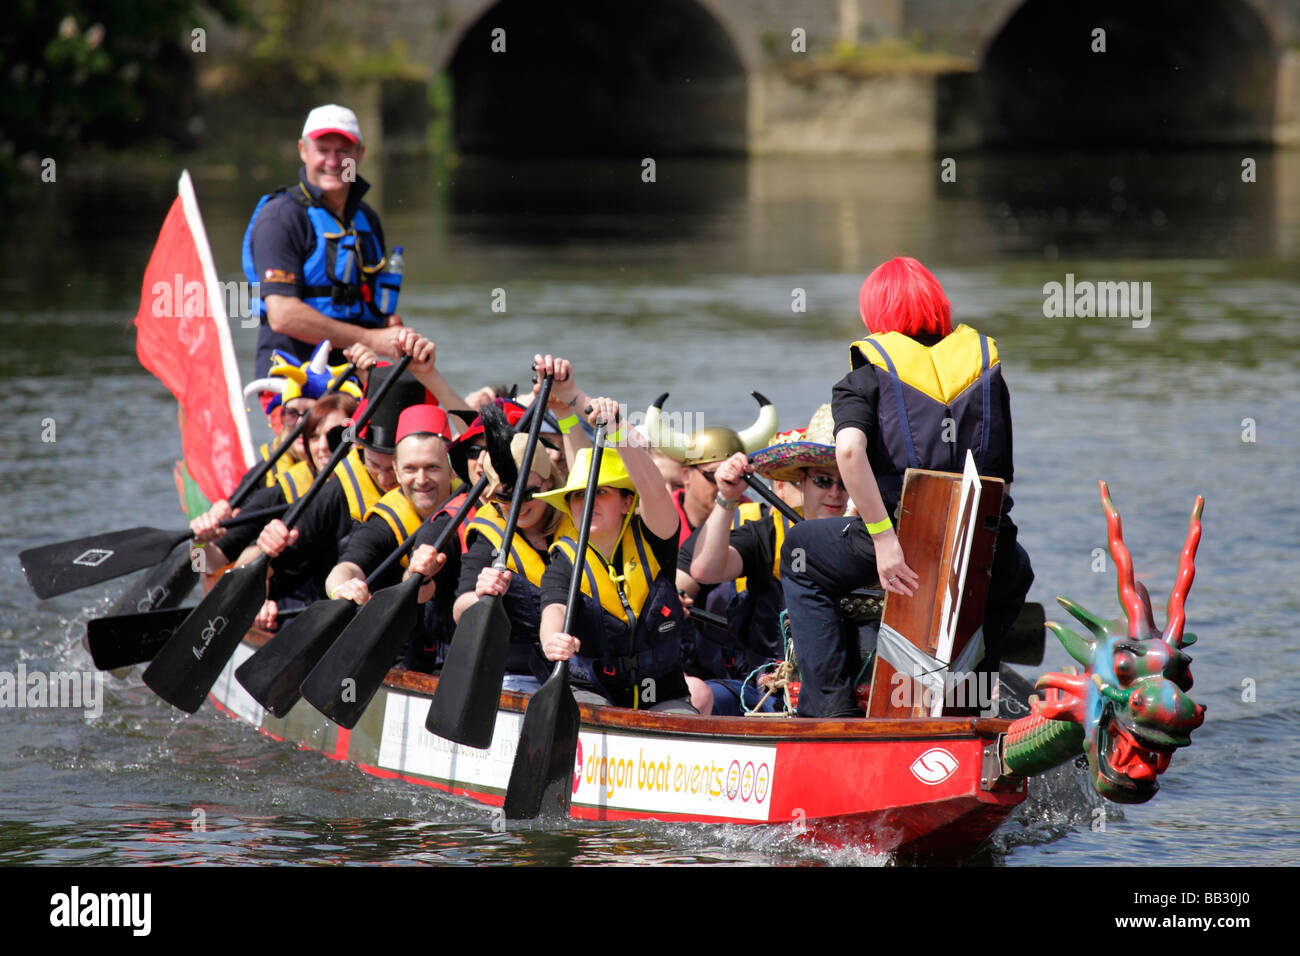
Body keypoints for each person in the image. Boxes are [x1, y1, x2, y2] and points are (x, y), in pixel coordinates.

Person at [779, 256, 1034, 718]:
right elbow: (1005, 478)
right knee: (1015, 569)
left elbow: (850, 452)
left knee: (799, 554)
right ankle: (967, 711)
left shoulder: (864, 376)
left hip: (904, 542)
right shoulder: (987, 372)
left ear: (876, 314)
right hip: (984, 544)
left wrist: (882, 538)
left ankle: (829, 712)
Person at [684, 405, 849, 716]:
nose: (836, 494)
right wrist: (727, 498)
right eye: (824, 481)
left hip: (839, 691)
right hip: (763, 688)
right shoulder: (768, 534)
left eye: (846, 482)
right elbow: (705, 570)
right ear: (801, 481)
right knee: (695, 695)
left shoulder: (868, 537)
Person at [534, 397, 696, 713]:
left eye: (601, 493)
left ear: (626, 503)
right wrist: (552, 640)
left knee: (683, 719)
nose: (588, 502)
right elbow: (553, 608)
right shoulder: (564, 560)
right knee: (585, 712)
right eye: (578, 496)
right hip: (591, 695)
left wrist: (617, 430)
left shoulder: (655, 538)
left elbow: (653, 489)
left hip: (662, 697)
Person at [243, 104, 409, 379]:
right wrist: (372, 339)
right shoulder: (280, 218)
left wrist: (394, 332)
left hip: (356, 374)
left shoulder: (366, 219)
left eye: (343, 151)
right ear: (302, 151)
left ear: (360, 154)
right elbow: (283, 316)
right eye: (322, 150)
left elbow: (370, 303)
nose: (333, 162)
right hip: (295, 380)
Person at [324, 403, 461, 672]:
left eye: (432, 468)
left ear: (451, 468)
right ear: (396, 470)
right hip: (406, 655)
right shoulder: (383, 524)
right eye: (410, 469)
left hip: (459, 647)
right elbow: (346, 568)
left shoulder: (470, 503)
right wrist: (342, 589)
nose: (421, 479)